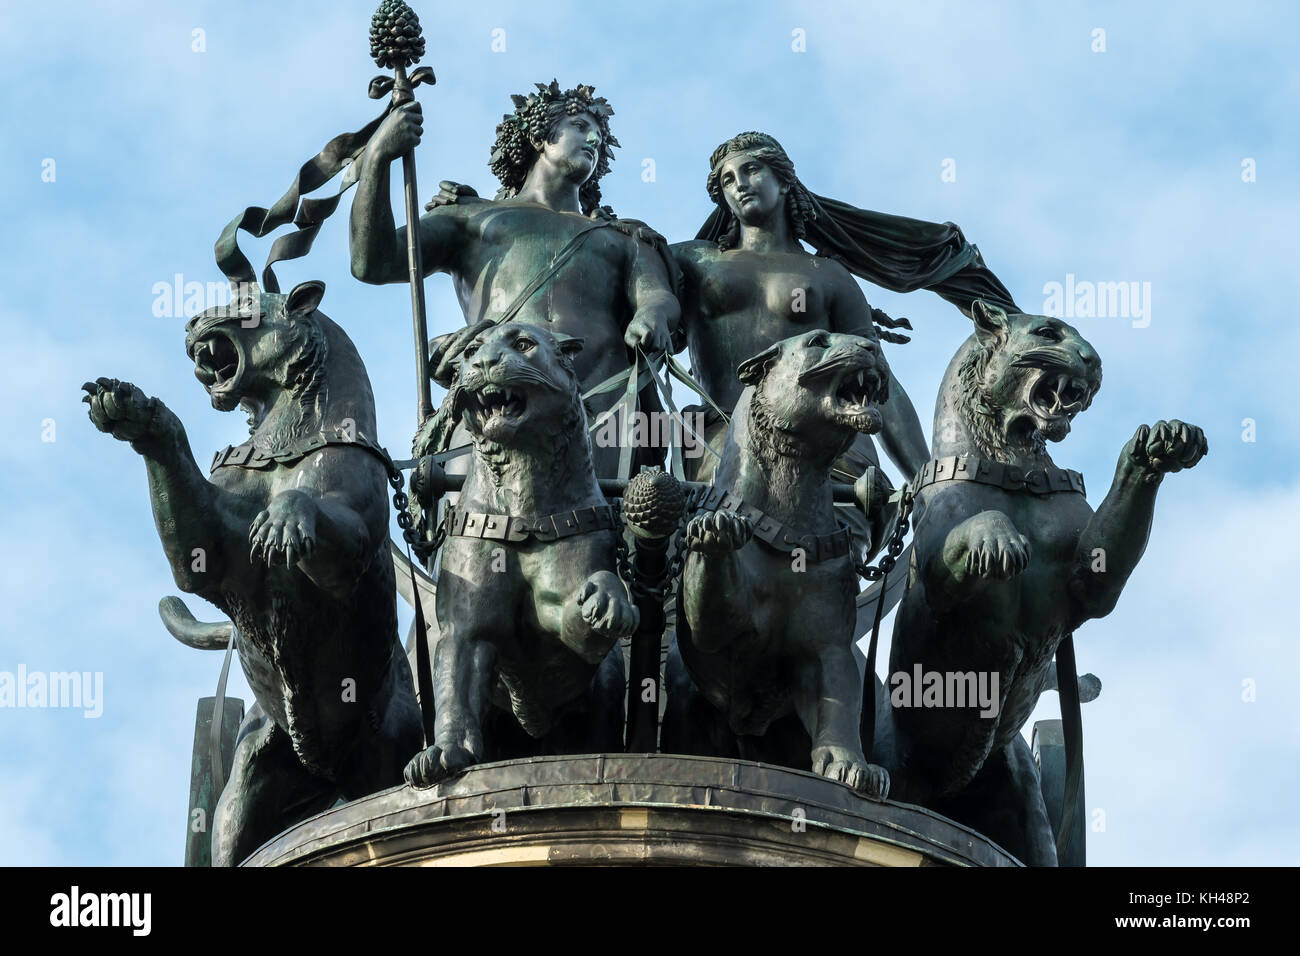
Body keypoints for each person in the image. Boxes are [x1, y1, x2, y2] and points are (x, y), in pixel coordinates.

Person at [350, 80, 679, 477]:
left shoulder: (624, 237)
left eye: (599, 134)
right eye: (579, 124)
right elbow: (373, 262)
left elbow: (657, 295)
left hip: (596, 405)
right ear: (540, 136)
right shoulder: (473, 219)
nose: (593, 137)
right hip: (495, 399)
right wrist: (379, 158)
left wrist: (653, 315)